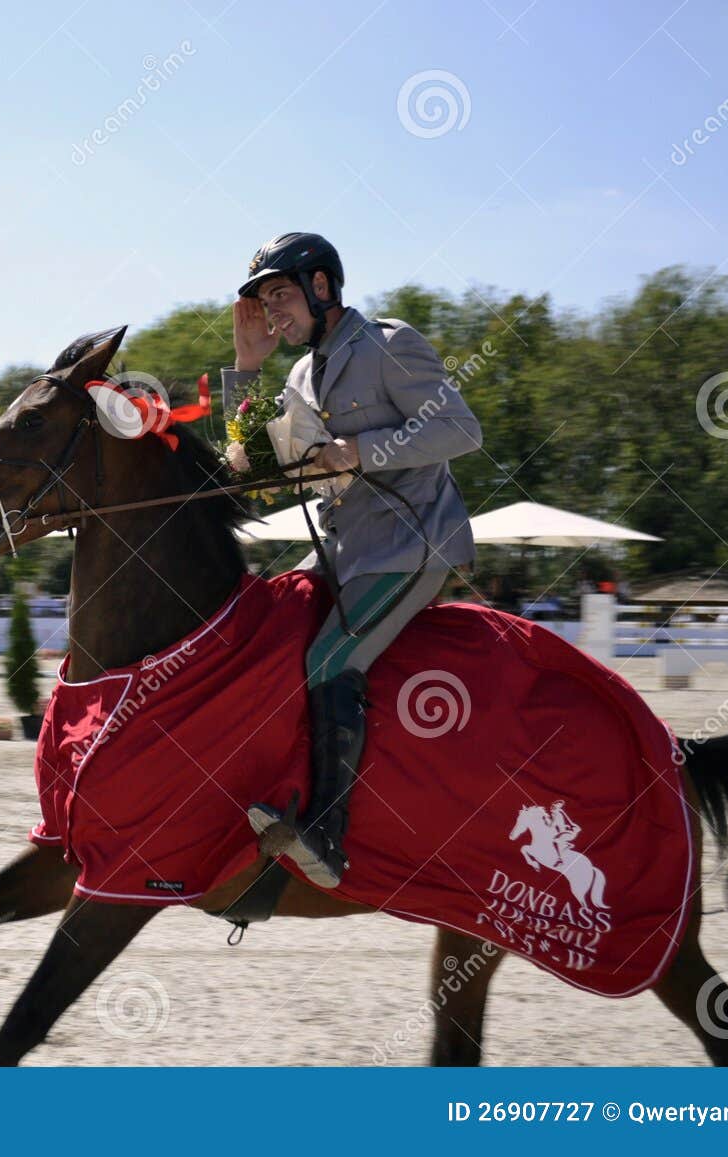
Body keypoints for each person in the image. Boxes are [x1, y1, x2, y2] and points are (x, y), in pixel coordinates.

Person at [222, 232, 483, 888]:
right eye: (262, 301)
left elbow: (461, 429)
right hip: (345, 550)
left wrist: (362, 449)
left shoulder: (389, 344)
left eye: (279, 295)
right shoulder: (298, 374)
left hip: (411, 545)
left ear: (321, 287)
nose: (271, 310)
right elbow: (246, 468)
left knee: (329, 661)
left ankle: (329, 837)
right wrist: (245, 367)